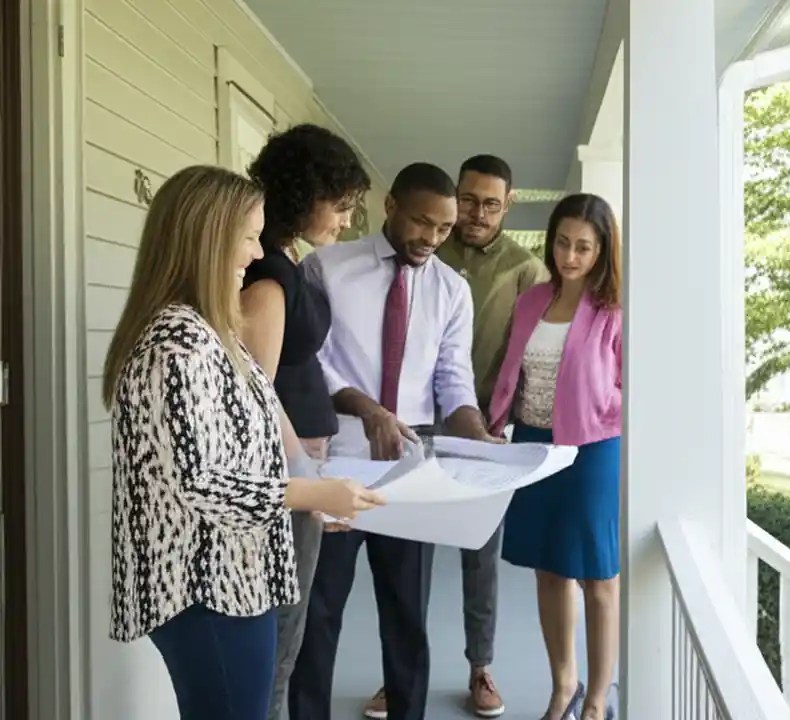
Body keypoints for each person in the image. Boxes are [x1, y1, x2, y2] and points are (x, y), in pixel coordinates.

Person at [103, 165, 384, 720]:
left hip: (234, 579)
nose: (257, 254)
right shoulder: (176, 344)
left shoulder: (212, 330)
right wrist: (311, 497)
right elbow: (204, 482)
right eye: (249, 237)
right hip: (205, 587)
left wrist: (316, 485)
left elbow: (261, 417)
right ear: (207, 240)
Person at [289, 162, 504, 720]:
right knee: (320, 613)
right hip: (335, 467)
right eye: (421, 222)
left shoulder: (452, 291)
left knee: (407, 616)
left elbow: (452, 380)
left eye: (443, 228)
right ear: (389, 206)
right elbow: (308, 364)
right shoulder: (326, 268)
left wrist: (480, 439)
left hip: (408, 474)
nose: (431, 238)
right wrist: (370, 410)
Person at [360, 154, 548, 719]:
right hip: (410, 424)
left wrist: (506, 426)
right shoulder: (424, 245)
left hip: (480, 428)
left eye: (491, 204)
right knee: (402, 552)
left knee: (478, 553)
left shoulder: (526, 270)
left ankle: (480, 667)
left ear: (508, 205)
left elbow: (533, 357)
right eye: (469, 200)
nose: (476, 213)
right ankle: (398, 678)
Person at [239, 123, 372, 720]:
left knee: (287, 640)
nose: (346, 221)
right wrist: (308, 480)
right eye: (340, 206)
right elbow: (256, 396)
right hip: (286, 480)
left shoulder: (284, 254)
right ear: (303, 193)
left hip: (302, 468)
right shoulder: (267, 271)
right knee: (279, 647)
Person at [487, 193, 623, 720]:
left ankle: (595, 703)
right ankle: (563, 687)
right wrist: (498, 420)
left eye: (584, 247)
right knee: (548, 570)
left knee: (598, 576)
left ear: (602, 250)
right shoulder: (533, 300)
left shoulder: (615, 309)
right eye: (563, 243)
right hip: (532, 443)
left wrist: (603, 408)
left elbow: (631, 382)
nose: (570, 255)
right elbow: (512, 366)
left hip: (591, 450)